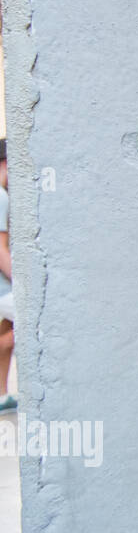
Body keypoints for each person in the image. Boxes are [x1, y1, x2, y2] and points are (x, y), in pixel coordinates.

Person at [0, 140, 14, 413]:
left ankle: (1, 395)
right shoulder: (0, 196)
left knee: (8, 332)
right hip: (3, 285)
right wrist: (20, 280)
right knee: (29, 327)